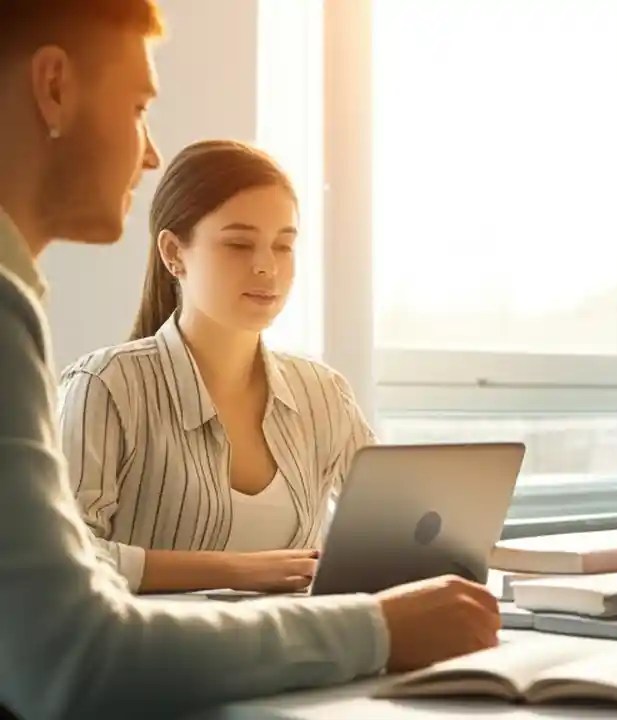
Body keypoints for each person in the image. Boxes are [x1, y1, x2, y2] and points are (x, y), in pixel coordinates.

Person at [0, 3, 496, 717]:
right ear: (53, 87)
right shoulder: (89, 371)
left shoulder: (319, 389)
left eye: (285, 244)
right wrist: (379, 628)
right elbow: (73, 650)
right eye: (140, 105)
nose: (148, 152)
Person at [60, 139, 372, 594]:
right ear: (173, 253)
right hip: (159, 660)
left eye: (283, 247)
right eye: (239, 244)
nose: (267, 267)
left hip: (301, 655)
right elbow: (63, 555)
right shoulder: (105, 385)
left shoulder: (324, 393)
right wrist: (236, 570)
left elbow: (393, 531)